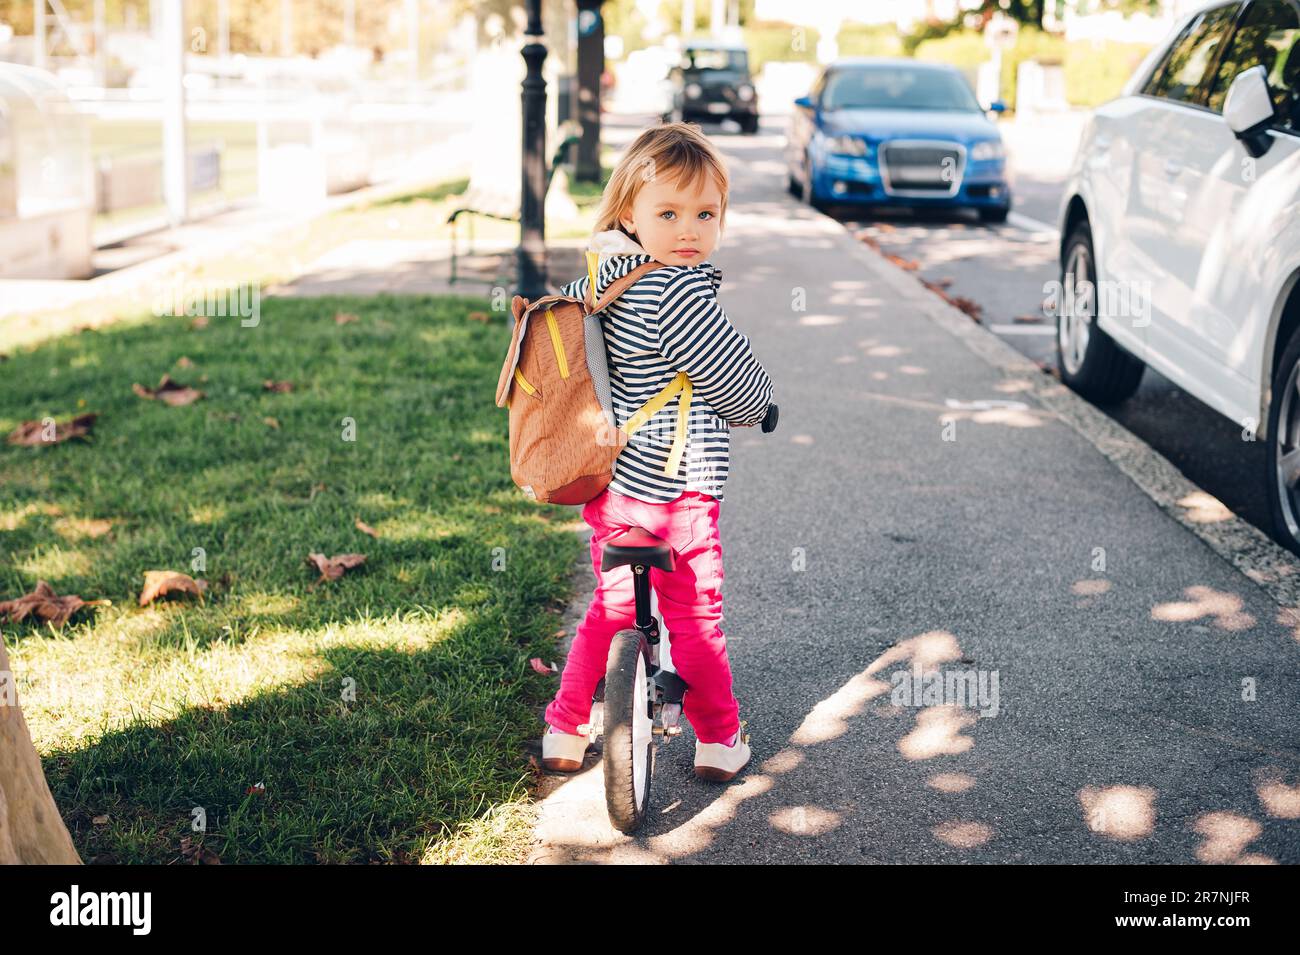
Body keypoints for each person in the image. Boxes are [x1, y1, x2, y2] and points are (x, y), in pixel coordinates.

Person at [540, 122, 775, 783]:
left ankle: (563, 728)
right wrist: (760, 407)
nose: (688, 230)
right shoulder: (677, 290)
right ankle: (721, 739)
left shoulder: (605, 278)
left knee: (610, 608)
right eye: (668, 213)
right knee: (695, 619)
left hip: (614, 491)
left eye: (705, 213)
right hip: (679, 492)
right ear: (630, 214)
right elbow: (730, 376)